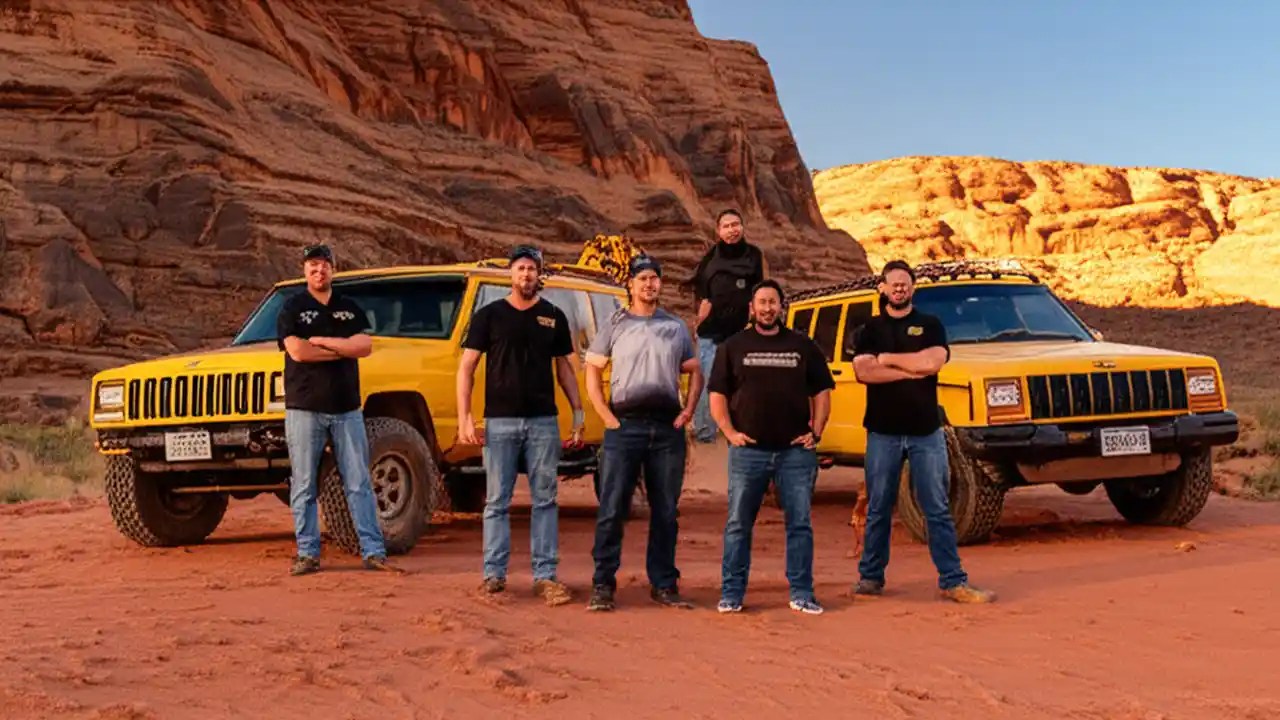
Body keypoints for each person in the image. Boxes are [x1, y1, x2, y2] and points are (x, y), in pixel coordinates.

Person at [850, 260, 996, 604]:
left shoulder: (930, 325)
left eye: (905, 283)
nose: (899, 288)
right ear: (882, 288)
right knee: (879, 507)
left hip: (925, 432)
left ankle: (952, 580)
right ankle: (871, 579)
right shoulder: (869, 329)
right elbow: (864, 372)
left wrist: (887, 359)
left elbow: (932, 362)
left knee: (937, 507)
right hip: (883, 432)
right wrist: (909, 369)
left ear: (913, 288)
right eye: (893, 283)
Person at [456, 244, 584, 607]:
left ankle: (545, 576)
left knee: (545, 500)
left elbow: (564, 368)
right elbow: (467, 367)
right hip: (500, 422)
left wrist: (577, 411)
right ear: (510, 274)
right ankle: (494, 575)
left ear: (538, 275)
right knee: (497, 501)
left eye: (531, 269)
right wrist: (466, 417)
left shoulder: (553, 316)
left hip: (543, 422)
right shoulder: (489, 315)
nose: (526, 275)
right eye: (520, 268)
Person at [583, 254, 703, 612]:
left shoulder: (675, 326)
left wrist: (688, 410)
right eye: (642, 279)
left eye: (654, 278)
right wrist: (605, 414)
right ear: (631, 285)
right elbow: (592, 369)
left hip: (667, 430)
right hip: (625, 427)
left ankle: (664, 584)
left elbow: (695, 370)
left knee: (666, 510)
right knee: (612, 507)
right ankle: (603, 584)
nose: (649, 284)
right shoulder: (615, 323)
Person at [708, 279, 833, 615]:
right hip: (748, 452)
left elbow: (822, 391)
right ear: (752, 308)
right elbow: (717, 394)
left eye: (772, 302)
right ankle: (732, 593)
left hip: (795, 452)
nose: (767, 308)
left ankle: (802, 592)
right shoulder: (733, 347)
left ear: (782, 307)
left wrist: (816, 431)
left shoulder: (802, 346)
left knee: (800, 524)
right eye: (761, 302)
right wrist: (729, 432)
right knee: (738, 524)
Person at [277, 243, 400, 576]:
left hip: (347, 408)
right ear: (305, 270)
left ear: (334, 269)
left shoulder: (348, 307)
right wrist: (342, 349)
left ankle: (373, 551)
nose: (319, 271)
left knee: (359, 481)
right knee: (303, 484)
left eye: (325, 265)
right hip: (305, 409)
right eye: (313, 265)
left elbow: (365, 345)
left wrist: (325, 342)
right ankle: (307, 553)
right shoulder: (292, 308)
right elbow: (298, 352)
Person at [690, 209, 768, 444]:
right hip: (711, 333)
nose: (732, 230)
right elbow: (705, 298)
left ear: (743, 227)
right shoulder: (710, 259)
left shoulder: (753, 255)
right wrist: (698, 324)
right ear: (718, 231)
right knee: (708, 383)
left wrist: (756, 322)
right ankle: (705, 431)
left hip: (740, 333)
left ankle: (740, 428)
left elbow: (759, 292)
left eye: (736, 224)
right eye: (727, 226)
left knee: (743, 384)